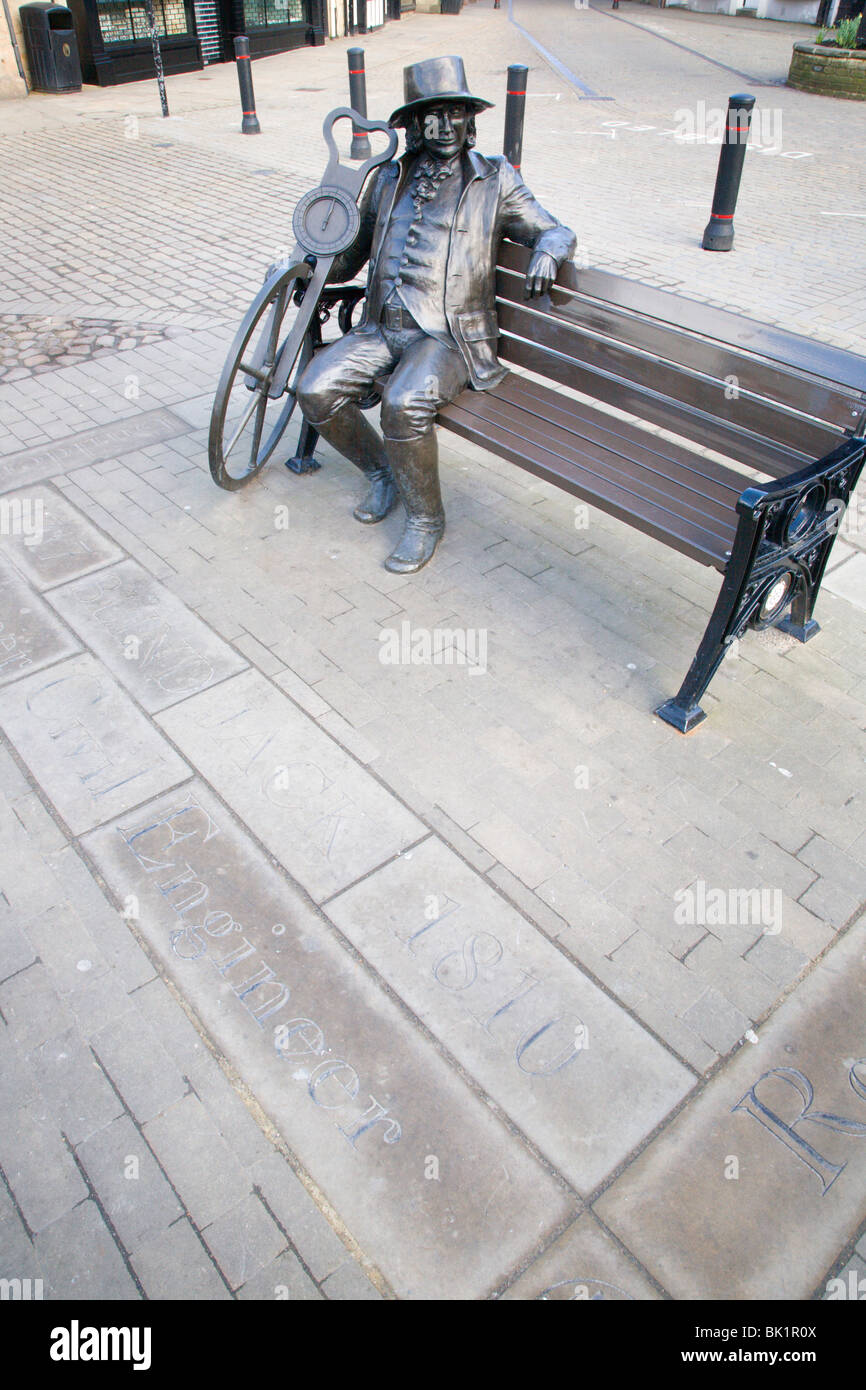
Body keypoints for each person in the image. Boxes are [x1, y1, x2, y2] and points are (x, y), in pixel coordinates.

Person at [296, 56, 576, 573]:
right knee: (313, 389)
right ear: (412, 126)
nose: (445, 126)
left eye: (455, 114)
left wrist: (548, 252)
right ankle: (383, 473)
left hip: (448, 337)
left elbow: (553, 229)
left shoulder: (495, 179)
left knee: (402, 403)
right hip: (381, 328)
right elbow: (354, 255)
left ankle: (426, 520)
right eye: (432, 117)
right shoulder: (389, 178)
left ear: (471, 121)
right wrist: (314, 264)